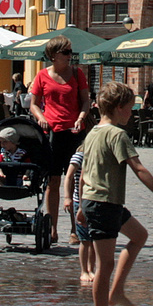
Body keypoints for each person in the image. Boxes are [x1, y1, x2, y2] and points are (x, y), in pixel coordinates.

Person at [76, 81, 153, 306]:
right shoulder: (116, 134)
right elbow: (138, 168)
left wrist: (82, 205)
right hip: (103, 204)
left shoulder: (92, 133)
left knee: (139, 236)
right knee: (105, 265)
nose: (132, 113)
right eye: (130, 108)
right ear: (119, 107)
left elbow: (83, 172)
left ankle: (118, 291)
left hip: (99, 202)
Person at [30, 36, 90, 241]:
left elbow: (85, 102)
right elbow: (34, 104)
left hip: (74, 132)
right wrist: (41, 118)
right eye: (66, 52)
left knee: (75, 179)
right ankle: (52, 227)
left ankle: (75, 228)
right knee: (53, 180)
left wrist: (81, 117)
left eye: (70, 52)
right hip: (53, 132)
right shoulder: (42, 76)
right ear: (54, 55)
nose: (70, 56)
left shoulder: (77, 73)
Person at [66, 105, 102, 286]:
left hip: (93, 201)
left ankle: (92, 269)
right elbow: (70, 176)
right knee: (85, 241)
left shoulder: (95, 154)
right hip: (81, 201)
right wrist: (68, 198)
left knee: (93, 239)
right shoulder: (81, 153)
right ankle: (84, 270)